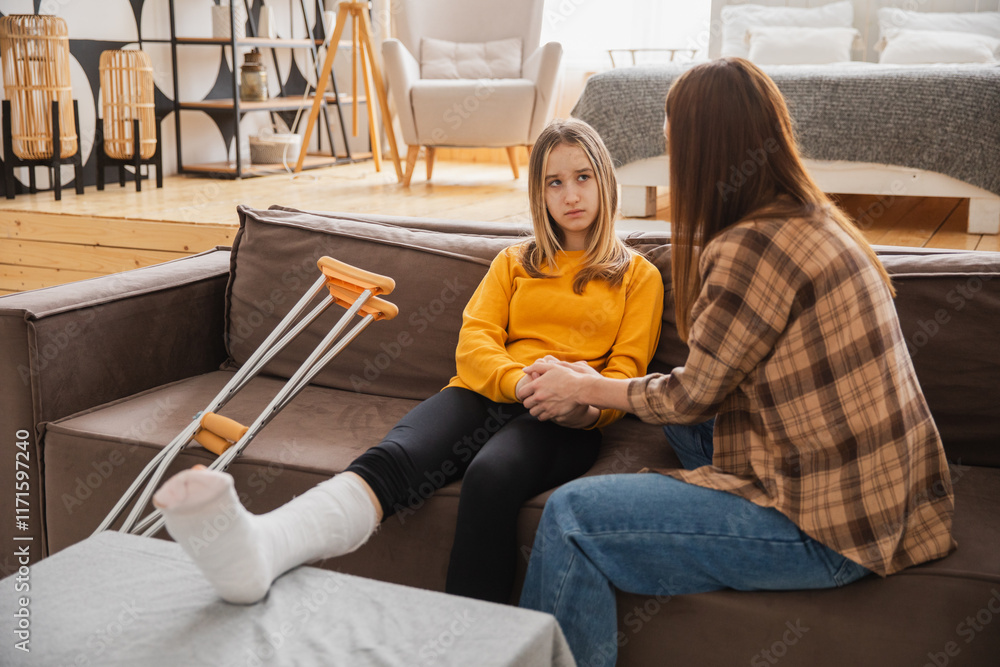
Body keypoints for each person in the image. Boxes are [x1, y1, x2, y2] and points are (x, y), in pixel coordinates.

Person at [517, 58, 956, 667]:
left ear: (703, 150)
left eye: (672, 137)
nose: (668, 149)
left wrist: (588, 385)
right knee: (676, 424)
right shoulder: (814, 218)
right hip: (891, 495)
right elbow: (707, 391)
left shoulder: (750, 247)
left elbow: (691, 395)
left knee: (570, 516)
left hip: (831, 530)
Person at [151, 118, 664, 606]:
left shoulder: (638, 277)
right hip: (487, 390)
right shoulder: (514, 262)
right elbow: (475, 342)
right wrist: (521, 381)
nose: (570, 195)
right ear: (540, 193)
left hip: (567, 419)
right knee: (397, 454)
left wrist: (583, 405)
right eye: (554, 182)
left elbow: (625, 376)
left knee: (491, 476)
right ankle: (265, 547)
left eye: (582, 177)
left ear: (604, 181)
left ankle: (474, 643)